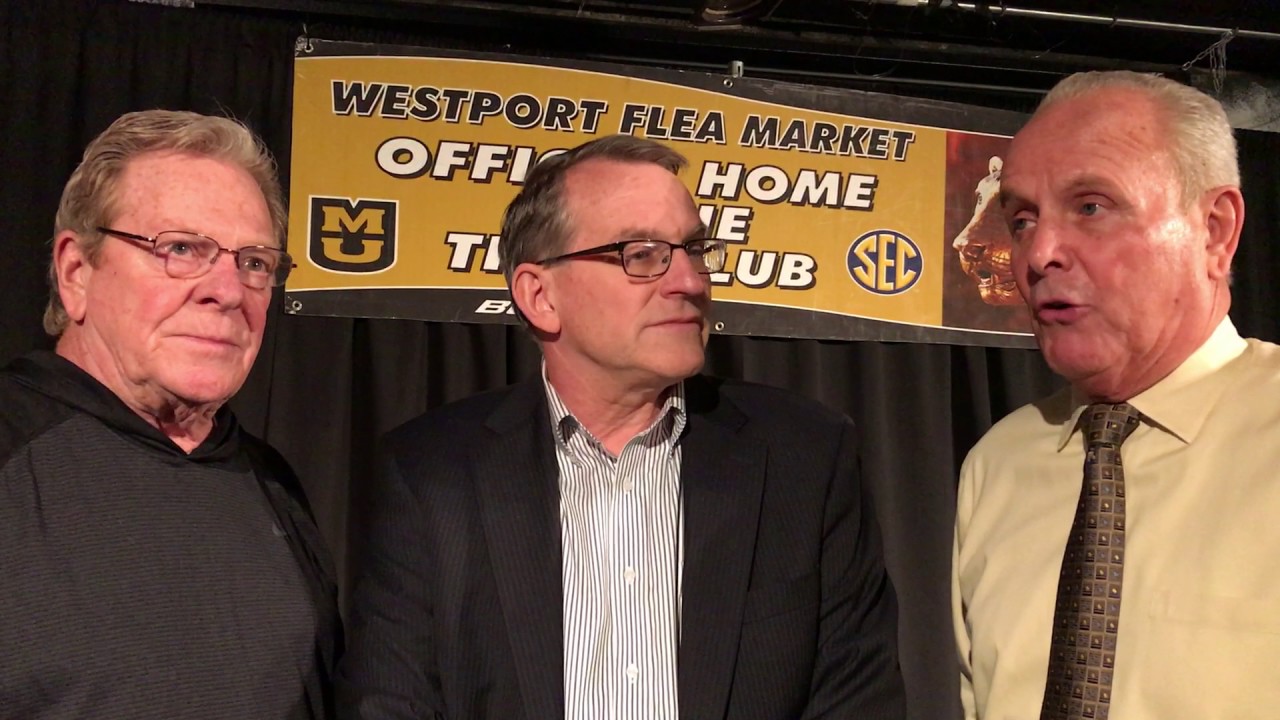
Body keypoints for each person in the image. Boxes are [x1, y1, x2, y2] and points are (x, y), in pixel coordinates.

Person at [337, 134, 905, 720]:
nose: (690, 282)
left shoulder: (805, 458)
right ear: (539, 295)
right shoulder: (431, 474)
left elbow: (858, 700)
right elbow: (388, 703)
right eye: (642, 254)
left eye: (694, 249)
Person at [953, 70, 1280, 720]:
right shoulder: (995, 468)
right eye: (1022, 220)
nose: (1039, 254)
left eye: (1091, 207)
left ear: (1214, 231)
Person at [0, 110, 341, 718]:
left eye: (254, 262)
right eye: (180, 248)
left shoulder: (271, 484)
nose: (228, 291)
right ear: (76, 272)